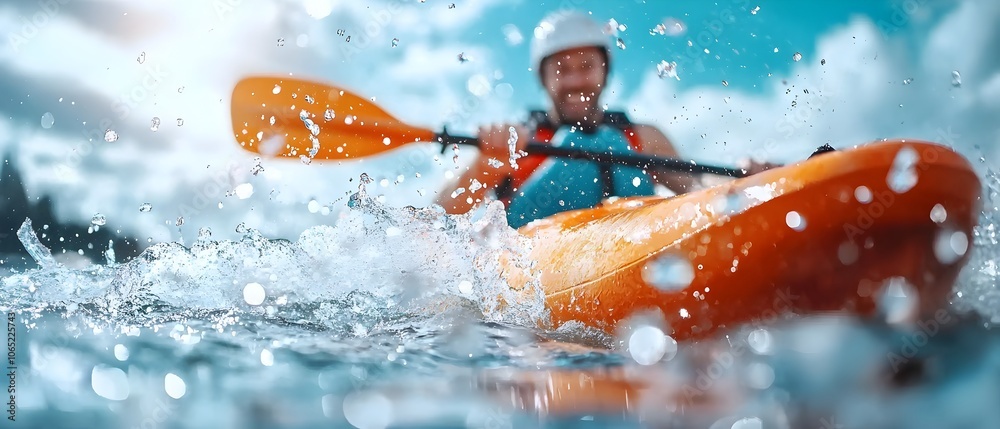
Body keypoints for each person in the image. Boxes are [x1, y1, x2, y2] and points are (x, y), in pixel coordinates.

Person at [435, 10, 778, 228]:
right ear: (544, 79)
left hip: (626, 249)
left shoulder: (644, 138)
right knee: (579, 145)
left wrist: (745, 183)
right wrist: (484, 165)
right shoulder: (515, 140)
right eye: (562, 70)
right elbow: (441, 216)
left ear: (605, 72)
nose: (575, 81)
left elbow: (694, 187)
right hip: (534, 276)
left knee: (608, 143)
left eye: (587, 67)